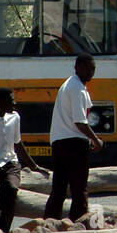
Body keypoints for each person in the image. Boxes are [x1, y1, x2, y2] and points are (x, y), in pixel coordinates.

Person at [0, 87, 49, 233]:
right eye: (10, 100)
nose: (14, 103)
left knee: (11, 188)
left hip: (10, 163)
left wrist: (34, 166)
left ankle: (4, 229)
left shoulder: (15, 117)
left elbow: (18, 143)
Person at [44, 55, 102, 223]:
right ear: (77, 67)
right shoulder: (76, 88)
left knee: (59, 188)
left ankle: (49, 222)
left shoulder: (70, 84)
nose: (90, 72)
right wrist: (96, 140)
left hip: (59, 141)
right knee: (79, 188)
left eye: (93, 69)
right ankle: (80, 221)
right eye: (87, 68)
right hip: (74, 143)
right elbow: (80, 122)